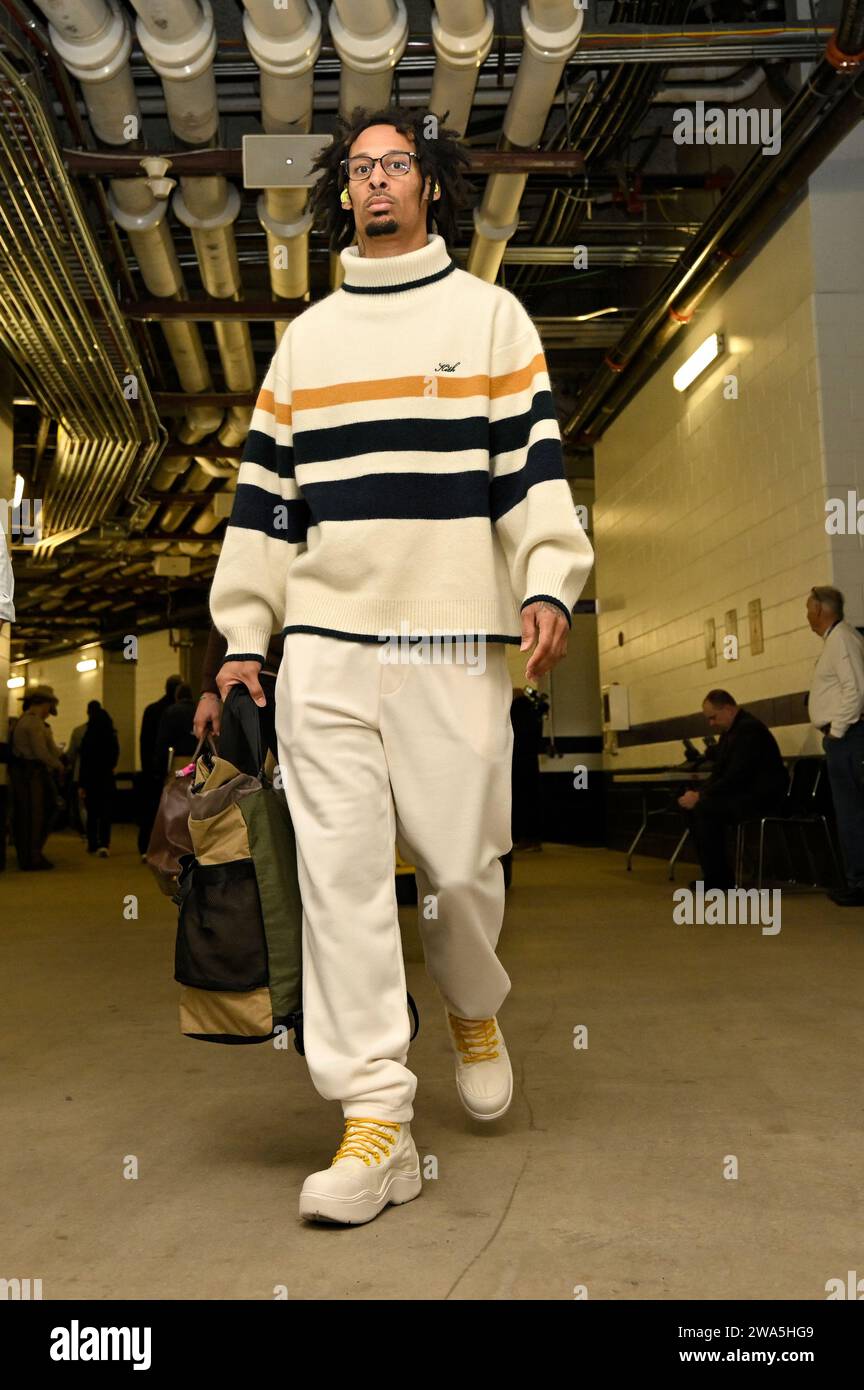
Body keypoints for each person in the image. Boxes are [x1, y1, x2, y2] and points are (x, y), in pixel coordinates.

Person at [208, 105, 594, 1226]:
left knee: (464, 865)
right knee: (338, 891)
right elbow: (264, 506)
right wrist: (244, 638)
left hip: (449, 638)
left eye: (399, 166)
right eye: (361, 168)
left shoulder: (490, 319)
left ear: (433, 185)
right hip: (324, 648)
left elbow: (531, 466)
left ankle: (473, 999)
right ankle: (377, 1119)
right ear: (344, 189)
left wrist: (545, 576)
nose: (378, 183)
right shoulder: (305, 340)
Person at [677, 690, 788, 890]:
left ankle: (719, 878)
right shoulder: (732, 733)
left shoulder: (749, 730)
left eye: (713, 717)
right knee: (694, 807)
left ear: (728, 709)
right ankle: (714, 874)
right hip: (744, 794)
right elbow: (720, 774)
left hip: (761, 798)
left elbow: (738, 774)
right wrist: (697, 794)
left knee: (705, 809)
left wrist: (701, 795)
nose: (711, 723)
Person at [806, 585, 864, 906]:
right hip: (845, 738)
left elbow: (856, 690)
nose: (806, 616)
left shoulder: (841, 639)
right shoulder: (838, 640)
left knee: (852, 812)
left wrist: (837, 731)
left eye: (807, 609)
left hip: (848, 739)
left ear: (820, 611)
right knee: (850, 812)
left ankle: (860, 882)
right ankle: (857, 879)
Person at [195, 625, 283, 760]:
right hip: (253, 683)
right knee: (244, 775)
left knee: (290, 774)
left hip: (297, 683)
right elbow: (224, 612)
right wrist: (209, 693)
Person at [10, 685, 64, 870]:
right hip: (32, 774)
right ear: (45, 703)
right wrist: (58, 764)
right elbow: (41, 752)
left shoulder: (23, 721)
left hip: (24, 773)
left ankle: (30, 855)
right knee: (36, 815)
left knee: (27, 816)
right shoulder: (33, 723)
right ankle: (33, 856)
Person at [137, 673, 182, 856]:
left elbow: (144, 742)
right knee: (173, 810)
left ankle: (146, 847)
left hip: (153, 769)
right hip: (174, 768)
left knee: (151, 810)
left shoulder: (152, 710)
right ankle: (168, 848)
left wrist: (148, 767)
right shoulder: (177, 711)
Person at [78, 701, 119, 857]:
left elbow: (84, 760)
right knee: (105, 813)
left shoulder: (88, 735)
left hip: (91, 778)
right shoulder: (111, 734)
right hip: (107, 777)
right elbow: (115, 754)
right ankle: (104, 844)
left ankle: (92, 843)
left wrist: (82, 784)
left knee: (92, 813)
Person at [153, 683, 198, 777]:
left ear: (176, 696)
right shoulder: (197, 710)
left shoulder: (170, 712)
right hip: (196, 762)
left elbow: (163, 741)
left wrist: (160, 767)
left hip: (177, 761)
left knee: (177, 789)